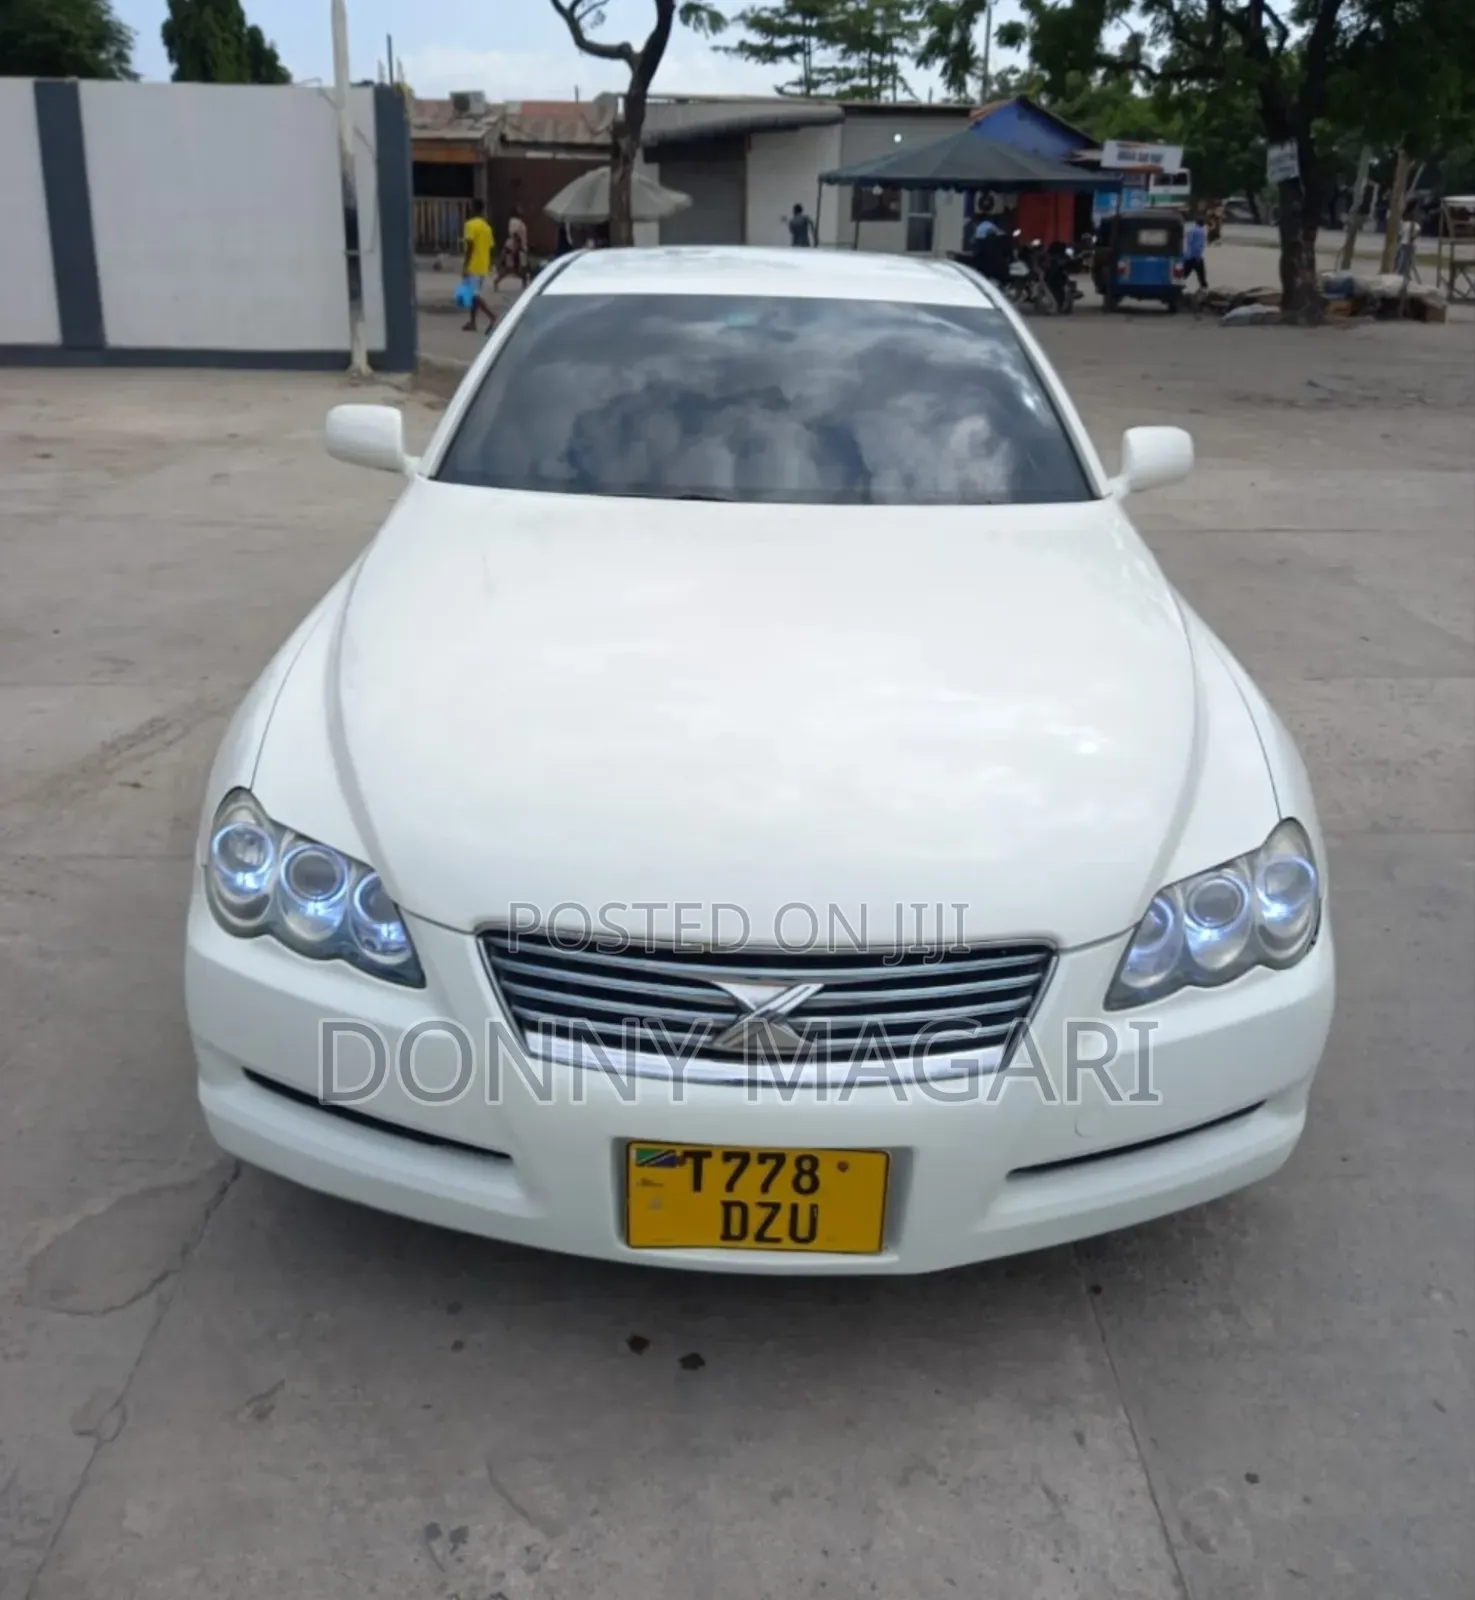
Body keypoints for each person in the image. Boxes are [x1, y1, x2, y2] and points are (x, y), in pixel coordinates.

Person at [460, 200, 497, 334]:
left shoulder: (470, 225)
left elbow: (470, 246)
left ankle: (492, 316)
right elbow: (491, 248)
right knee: (474, 294)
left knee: (473, 295)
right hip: (483, 265)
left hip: (474, 265)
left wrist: (465, 265)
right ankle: (472, 322)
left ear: (473, 209)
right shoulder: (487, 227)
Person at [494, 206, 530, 290]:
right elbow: (516, 236)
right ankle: (497, 280)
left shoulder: (518, 222)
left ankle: (524, 284)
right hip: (517, 248)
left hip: (520, 247)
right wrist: (516, 249)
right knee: (513, 267)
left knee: (521, 268)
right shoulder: (515, 222)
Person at [1182, 210, 1208, 290]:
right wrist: (1197, 256)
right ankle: (1204, 289)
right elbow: (1198, 246)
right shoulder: (1201, 231)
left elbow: (1189, 242)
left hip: (1188, 256)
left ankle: (1177, 287)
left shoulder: (1191, 230)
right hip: (1196, 257)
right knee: (1202, 276)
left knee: (1184, 274)